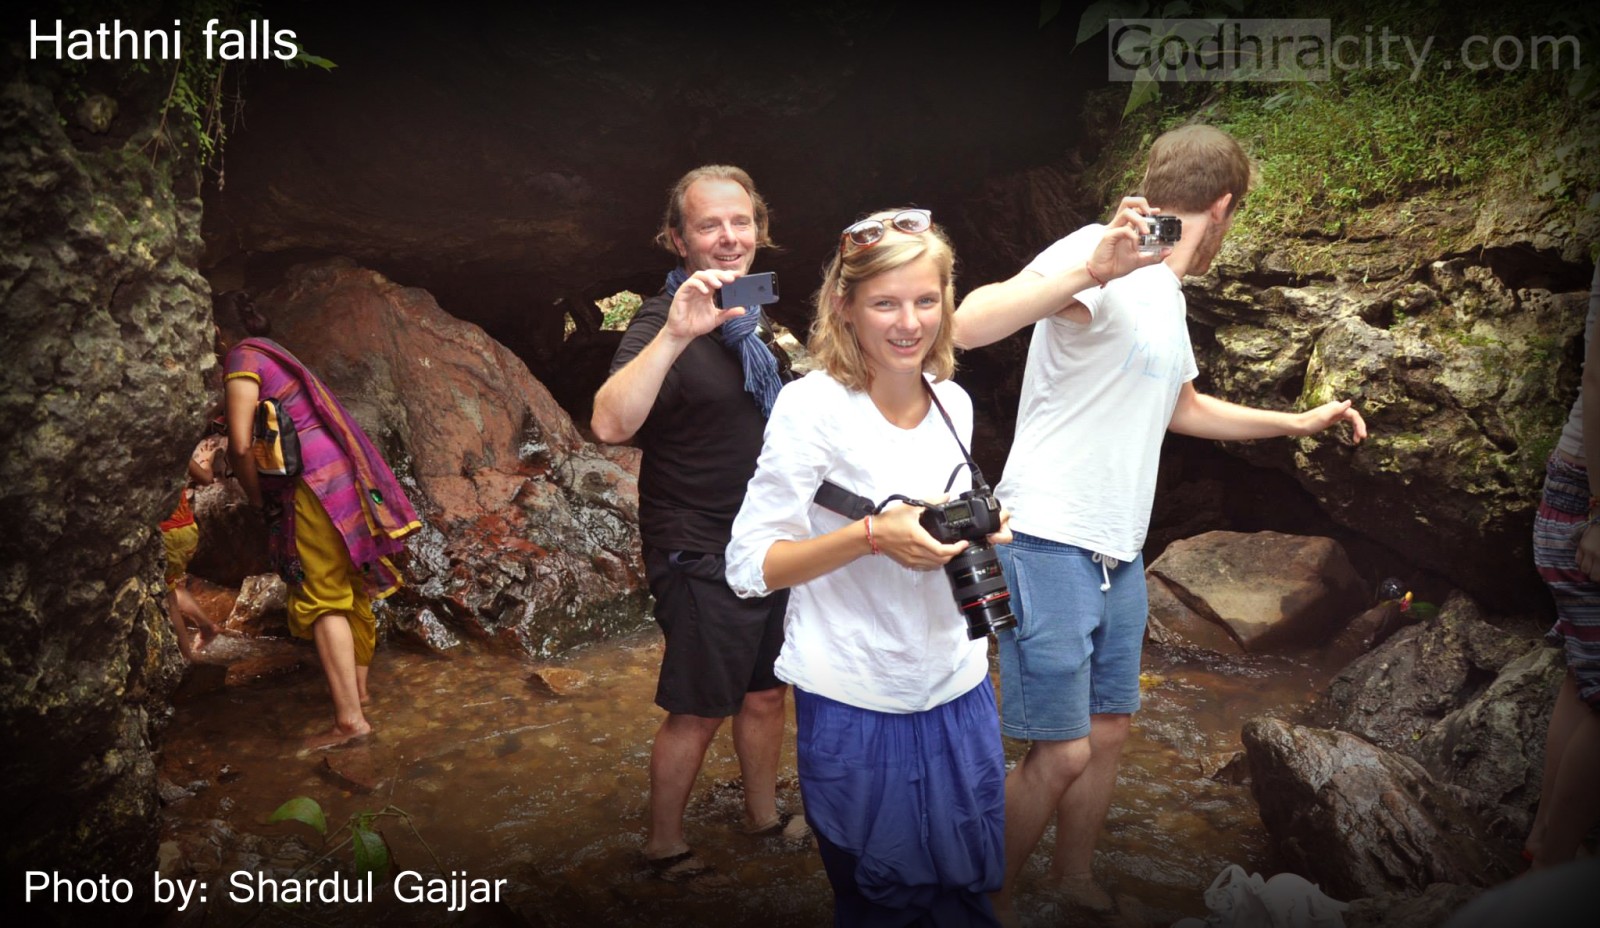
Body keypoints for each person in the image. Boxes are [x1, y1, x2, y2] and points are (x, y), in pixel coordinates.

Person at [951, 124, 1367, 923]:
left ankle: (1073, 882)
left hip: (1119, 550)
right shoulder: (1097, 250)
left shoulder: (1168, 296)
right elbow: (970, 322)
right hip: (1047, 535)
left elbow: (1183, 407)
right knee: (1060, 750)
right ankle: (981, 908)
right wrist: (1092, 268)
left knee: (1108, 732)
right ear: (1225, 206)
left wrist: (1295, 423)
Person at [726, 207, 1008, 924]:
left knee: (968, 891)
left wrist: (975, 529)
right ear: (844, 305)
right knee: (882, 900)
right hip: (856, 695)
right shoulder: (811, 407)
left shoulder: (954, 401)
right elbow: (750, 565)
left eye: (926, 300)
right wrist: (871, 537)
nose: (909, 324)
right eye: (885, 304)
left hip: (958, 686)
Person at [590, 165, 798, 880]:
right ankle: (663, 846)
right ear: (678, 239)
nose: (729, 237)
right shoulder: (664, 319)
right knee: (700, 706)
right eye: (709, 225)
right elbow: (609, 423)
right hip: (699, 544)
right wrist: (676, 335)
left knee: (766, 692)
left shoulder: (749, 316)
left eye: (741, 222)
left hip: (766, 538)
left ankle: (763, 818)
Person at [223, 296, 421, 750]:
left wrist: (255, 497)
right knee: (349, 583)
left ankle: (350, 722)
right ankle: (359, 691)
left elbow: (239, 444)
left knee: (321, 595)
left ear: (217, 331)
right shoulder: (277, 355)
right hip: (343, 477)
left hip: (311, 486)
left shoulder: (242, 357)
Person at [1525, 258, 1600, 869]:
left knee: (1584, 675)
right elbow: (1598, 381)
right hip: (1588, 499)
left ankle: (1544, 846)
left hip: (1577, 491)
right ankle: (1553, 863)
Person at [159, 432, 228, 660]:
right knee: (173, 586)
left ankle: (186, 657)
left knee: (169, 596)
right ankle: (207, 627)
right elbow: (206, 478)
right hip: (187, 529)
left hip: (166, 533)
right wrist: (206, 459)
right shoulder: (169, 444)